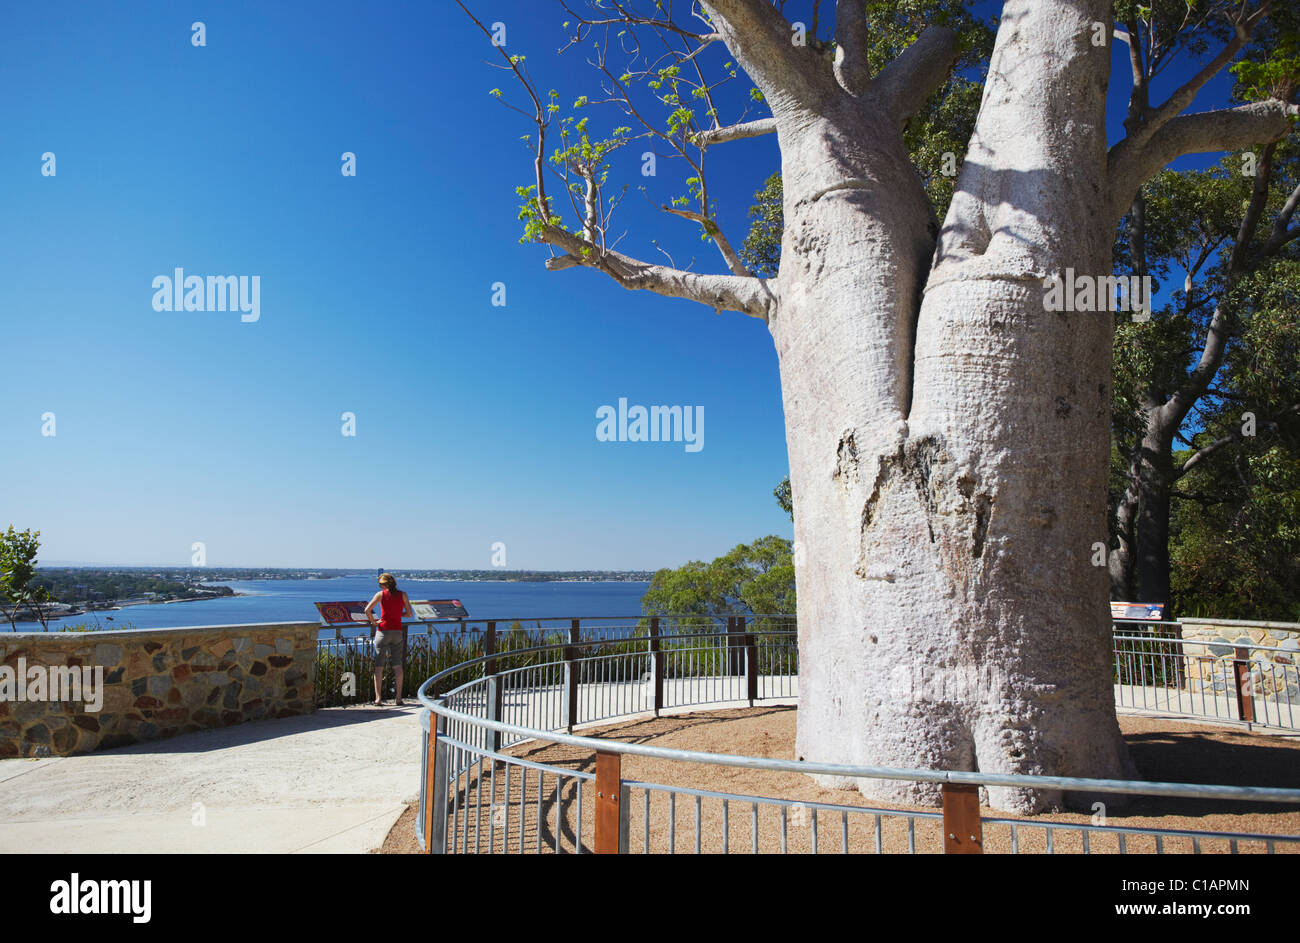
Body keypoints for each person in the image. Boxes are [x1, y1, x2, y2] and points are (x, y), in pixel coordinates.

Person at [364, 573, 413, 706]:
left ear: (384, 584)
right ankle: (398, 698)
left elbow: (367, 610)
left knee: (379, 667)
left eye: (380, 584)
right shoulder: (403, 594)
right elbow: (409, 614)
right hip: (397, 632)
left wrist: (374, 622)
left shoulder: (381, 594)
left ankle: (378, 698)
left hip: (383, 631)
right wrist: (398, 614)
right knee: (398, 666)